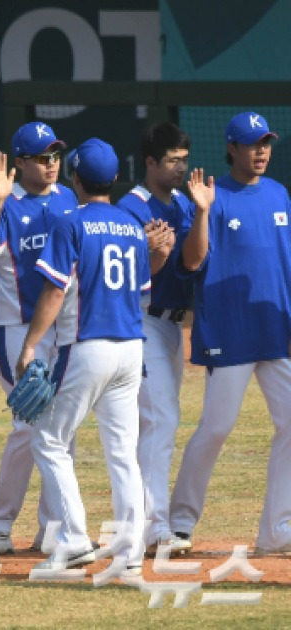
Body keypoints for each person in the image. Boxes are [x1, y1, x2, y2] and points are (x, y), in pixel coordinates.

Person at [19, 138, 162, 578]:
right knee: (122, 451)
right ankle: (131, 552)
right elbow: (142, 294)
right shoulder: (131, 227)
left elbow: (54, 289)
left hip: (86, 346)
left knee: (48, 438)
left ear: (74, 178)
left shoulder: (70, 223)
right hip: (130, 346)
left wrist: (30, 345)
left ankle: (75, 540)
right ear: (115, 178)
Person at [168, 112, 291, 555]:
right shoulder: (213, 197)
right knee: (216, 428)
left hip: (275, 332)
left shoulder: (279, 194)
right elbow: (192, 261)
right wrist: (201, 210)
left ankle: (277, 533)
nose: (261, 151)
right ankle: (179, 522)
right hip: (229, 332)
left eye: (266, 143)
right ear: (232, 148)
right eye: (252, 144)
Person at [0, 122, 77, 554]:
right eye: (40, 156)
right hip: (16, 333)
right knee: (26, 425)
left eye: (54, 155)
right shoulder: (6, 204)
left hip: (62, 330)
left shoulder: (69, 198)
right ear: (19, 162)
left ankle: (51, 528)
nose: (50, 164)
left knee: (58, 432)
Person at [115, 123, 195, 555]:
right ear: (149, 162)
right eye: (171, 160)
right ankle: (154, 525)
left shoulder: (184, 204)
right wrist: (148, 256)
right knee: (159, 419)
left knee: (158, 421)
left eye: (184, 158)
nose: (180, 166)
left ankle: (145, 522)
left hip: (172, 326)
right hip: (141, 321)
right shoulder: (131, 208)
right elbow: (124, 279)